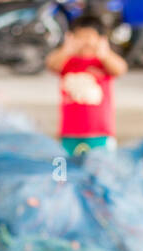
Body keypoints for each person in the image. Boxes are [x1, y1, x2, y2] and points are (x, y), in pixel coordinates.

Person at [46, 14, 127, 156]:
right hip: (69, 133)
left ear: (101, 39)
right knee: (67, 170)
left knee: (101, 169)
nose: (85, 42)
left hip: (100, 133)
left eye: (89, 36)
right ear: (70, 38)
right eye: (80, 37)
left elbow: (121, 69)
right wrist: (66, 50)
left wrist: (105, 53)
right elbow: (51, 65)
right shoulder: (67, 62)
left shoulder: (104, 63)